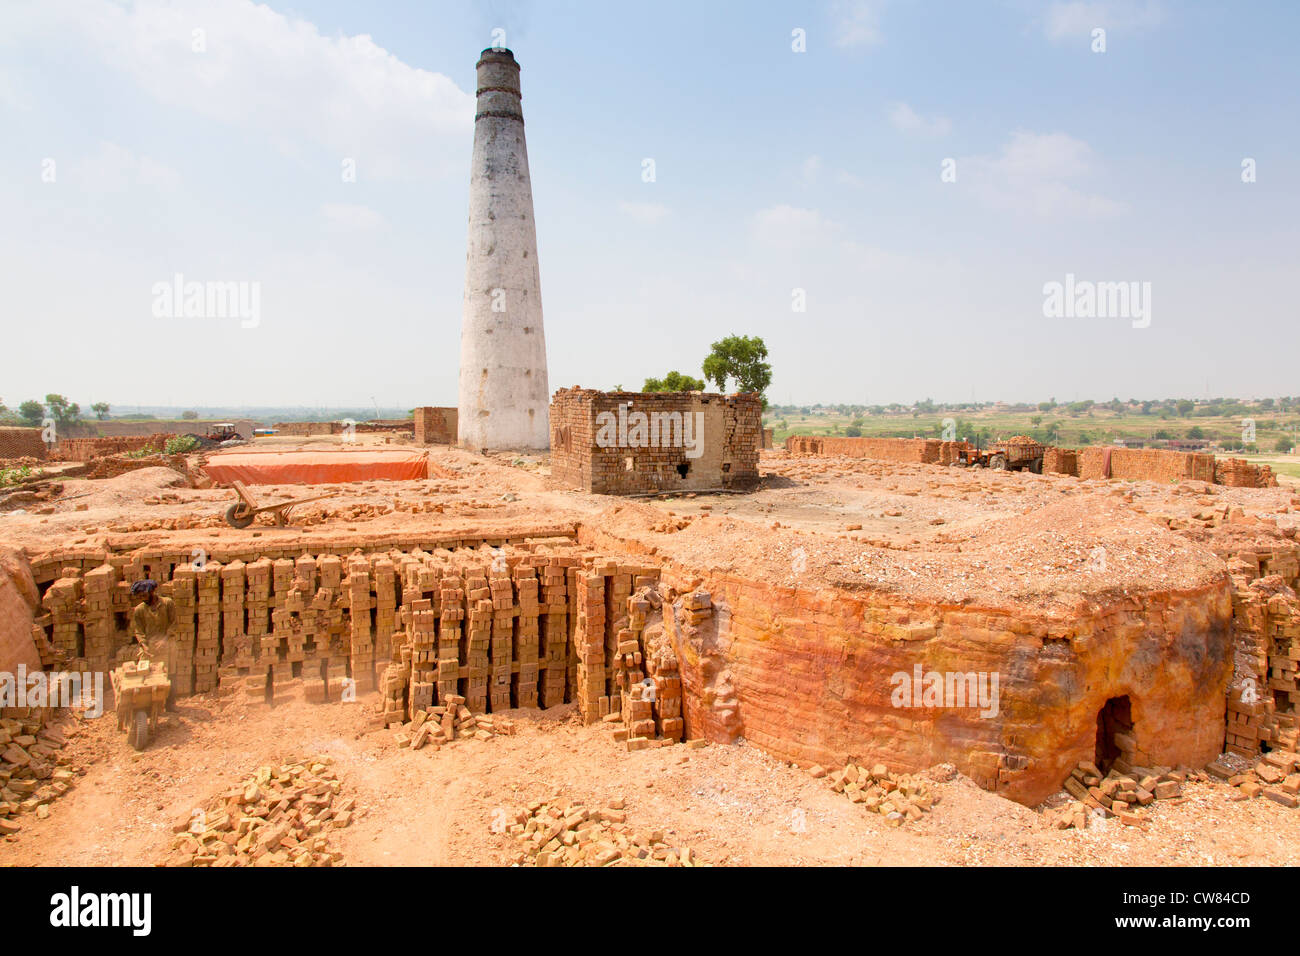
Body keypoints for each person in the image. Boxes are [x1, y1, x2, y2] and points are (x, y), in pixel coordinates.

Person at [129, 579, 177, 711]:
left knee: (170, 675)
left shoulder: (167, 603)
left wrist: (165, 640)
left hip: (167, 644)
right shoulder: (139, 610)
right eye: (139, 597)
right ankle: (147, 707)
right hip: (149, 647)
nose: (142, 599)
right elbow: (138, 631)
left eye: (144, 596)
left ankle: (170, 705)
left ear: (152, 592)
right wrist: (143, 645)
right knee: (145, 675)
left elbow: (173, 624)